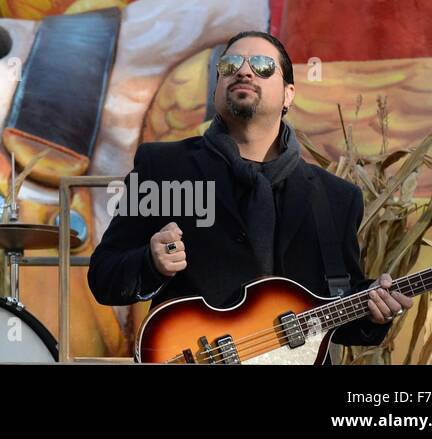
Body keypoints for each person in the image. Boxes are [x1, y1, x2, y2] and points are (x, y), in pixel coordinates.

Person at [88, 30, 411, 353]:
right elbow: (105, 277)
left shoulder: (336, 198)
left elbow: (337, 311)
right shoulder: (163, 167)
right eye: (229, 65)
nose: (244, 71)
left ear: (288, 94)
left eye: (262, 66)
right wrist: (151, 264)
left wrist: (374, 313)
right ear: (217, 87)